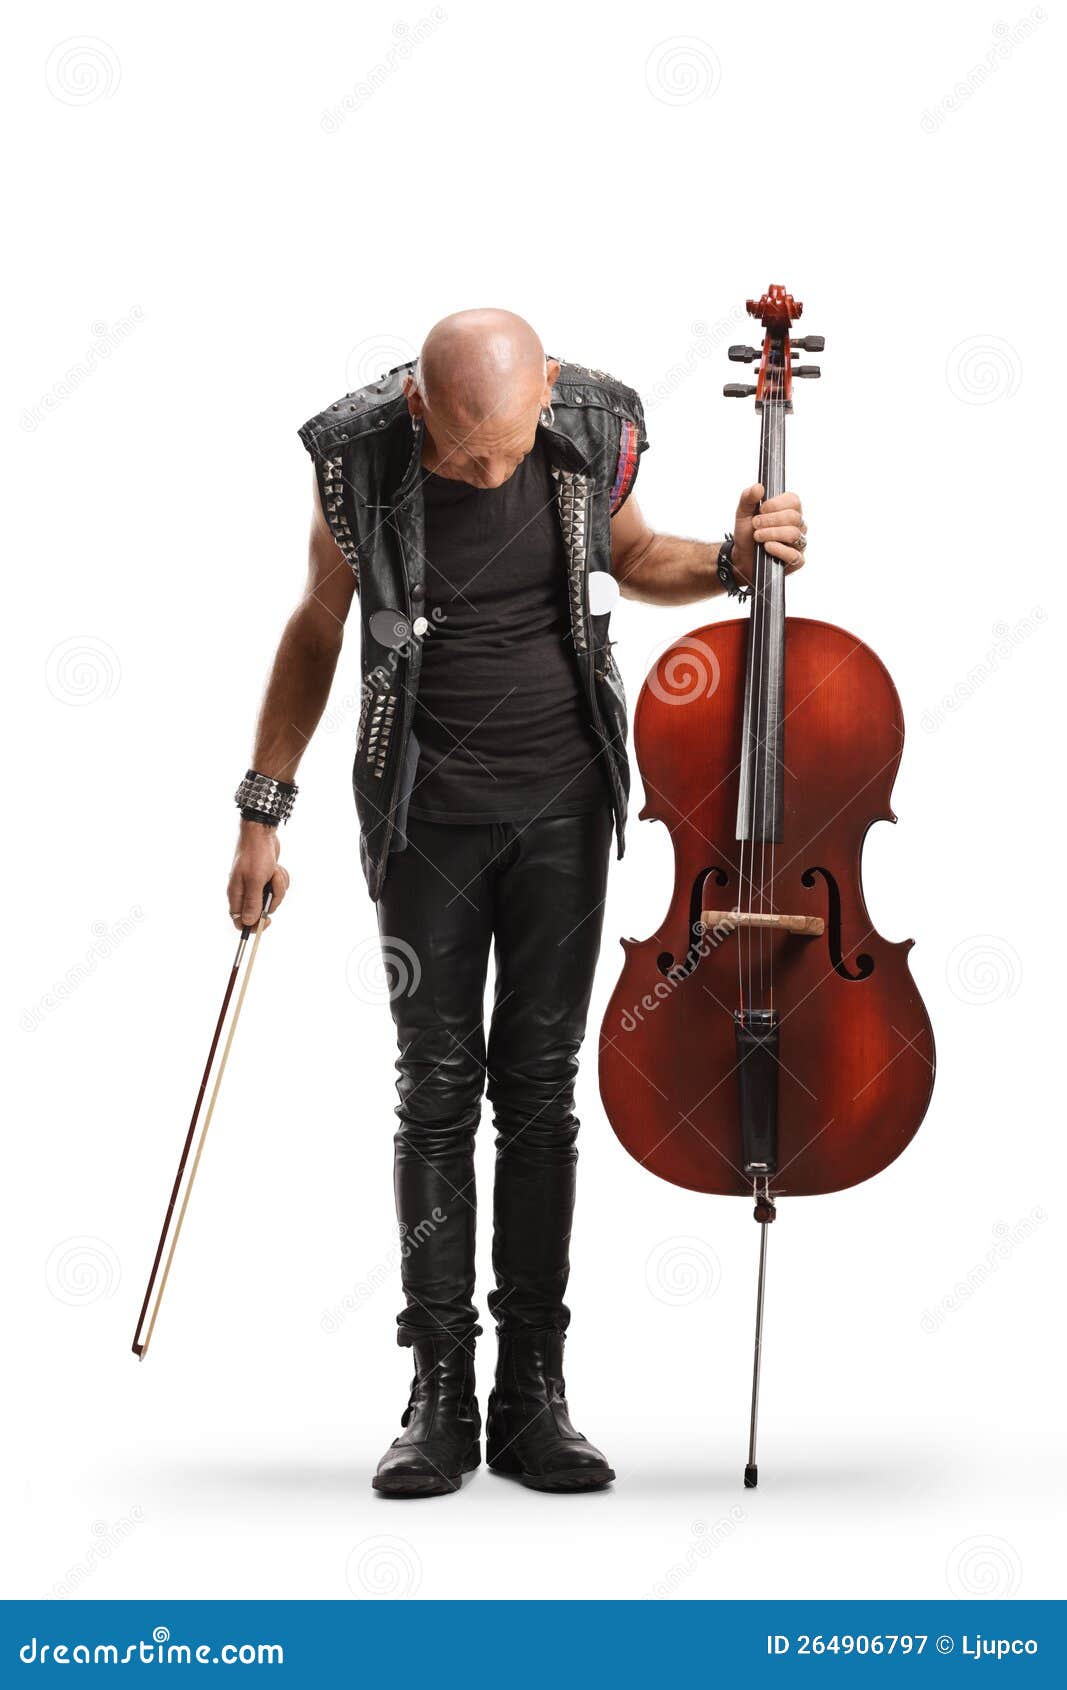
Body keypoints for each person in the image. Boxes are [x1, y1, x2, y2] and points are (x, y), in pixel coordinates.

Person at [227, 309, 807, 1497]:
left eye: (504, 450)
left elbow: (633, 559)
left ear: (547, 389)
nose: (486, 472)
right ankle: (437, 1390)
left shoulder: (593, 429)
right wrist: (260, 805)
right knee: (434, 1089)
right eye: (461, 454)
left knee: (538, 1093)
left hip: (565, 808)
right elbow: (316, 623)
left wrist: (731, 562)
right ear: (416, 409)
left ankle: (532, 1391)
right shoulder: (359, 457)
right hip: (420, 818)